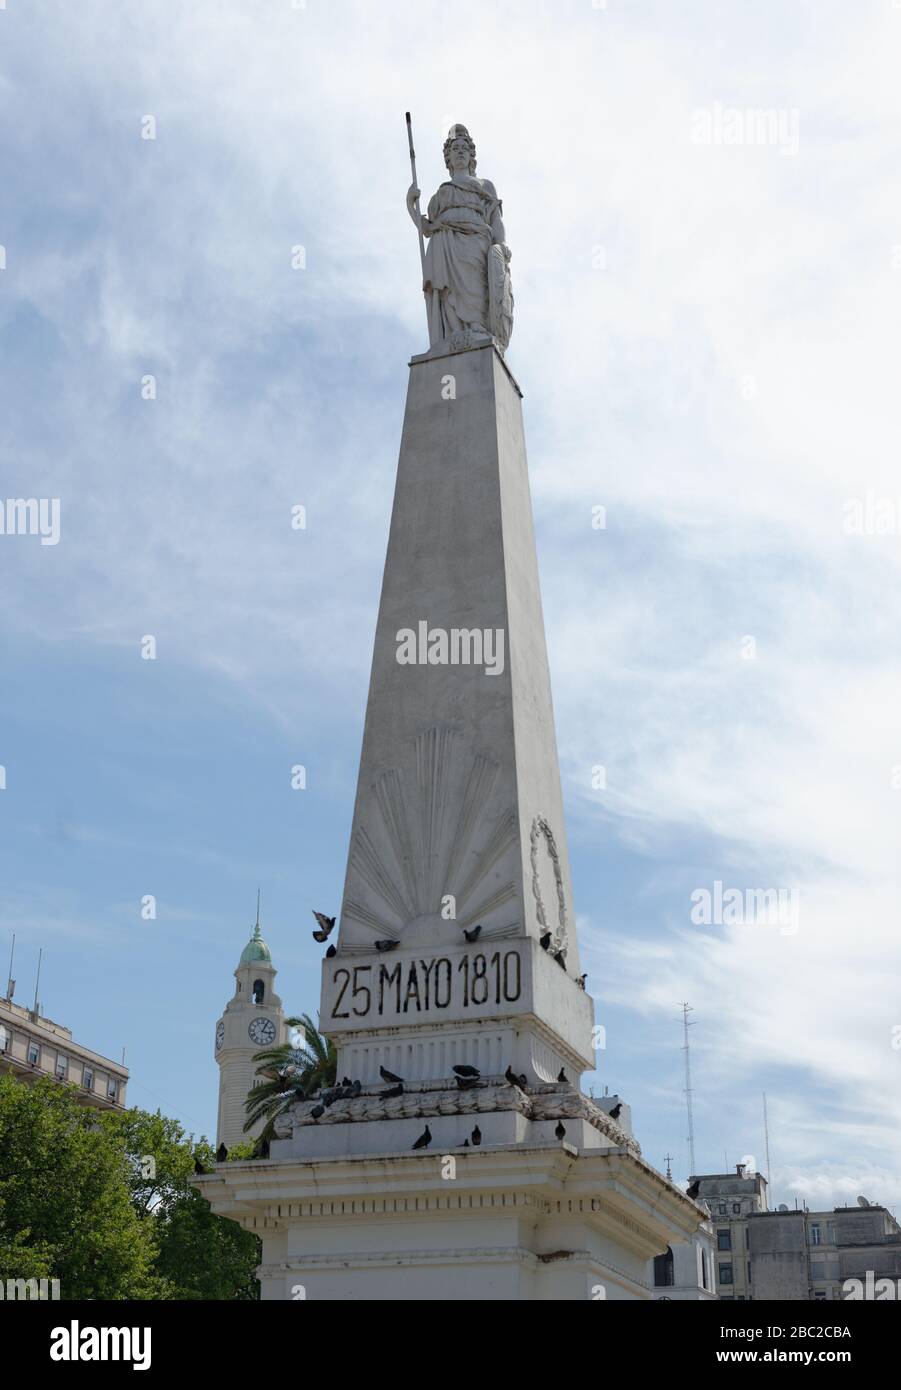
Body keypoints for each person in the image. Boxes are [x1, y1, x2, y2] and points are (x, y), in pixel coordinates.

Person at [406, 124, 513, 351]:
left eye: (465, 148)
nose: (461, 152)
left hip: (476, 239)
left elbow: (495, 218)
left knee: (475, 286)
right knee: (447, 292)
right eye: (455, 149)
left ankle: (477, 328)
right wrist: (410, 205)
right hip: (444, 242)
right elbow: (426, 228)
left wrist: (501, 245)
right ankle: (453, 335)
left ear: (472, 155)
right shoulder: (440, 194)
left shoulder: (485, 186)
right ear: (448, 157)